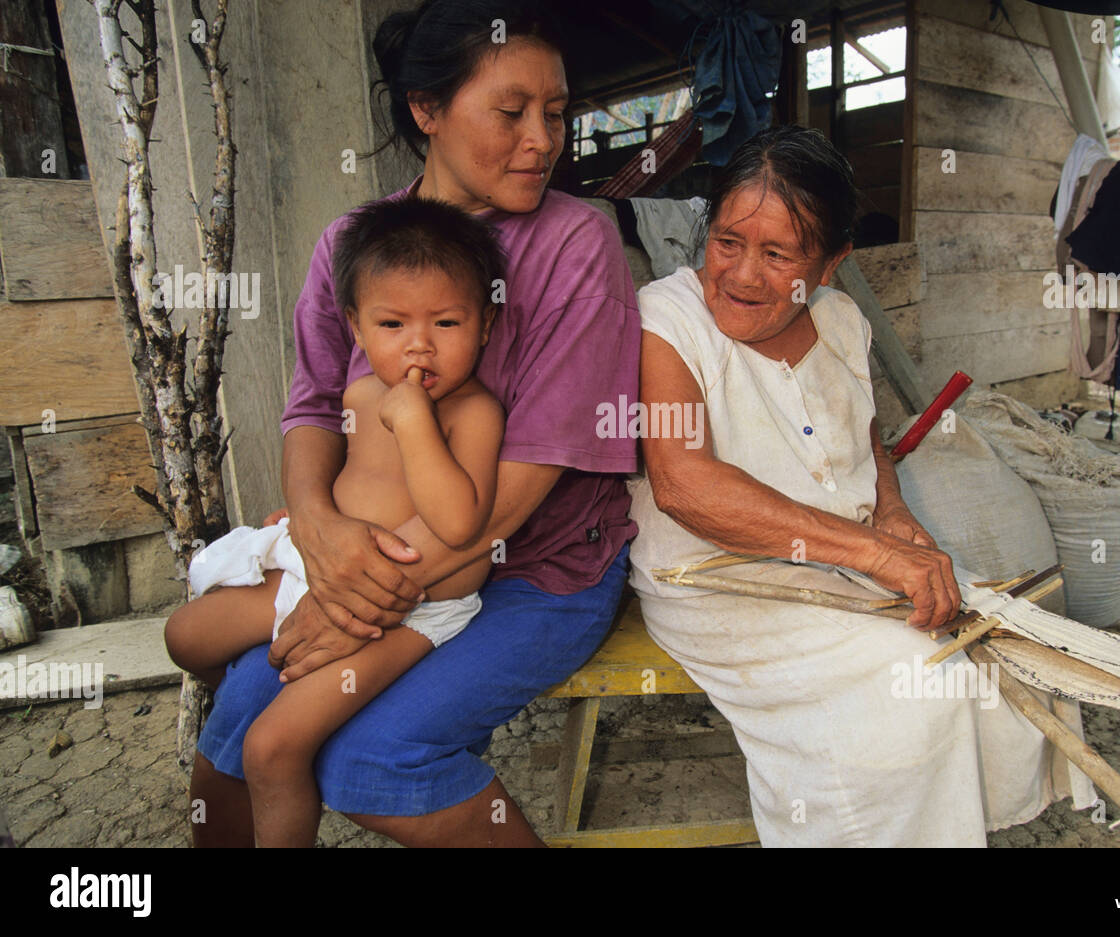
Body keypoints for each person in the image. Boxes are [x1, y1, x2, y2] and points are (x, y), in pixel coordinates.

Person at [188, 0, 640, 847]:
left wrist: (360, 600)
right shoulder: (353, 246)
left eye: (556, 113)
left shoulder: (577, 246)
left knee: (372, 757)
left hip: (535, 569)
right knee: (239, 726)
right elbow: (315, 404)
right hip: (370, 556)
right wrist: (320, 531)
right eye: (511, 113)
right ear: (424, 111)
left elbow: (511, 500)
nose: (544, 140)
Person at [628, 125, 1070, 847]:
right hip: (718, 580)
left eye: (778, 255)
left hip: (848, 559)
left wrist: (890, 511)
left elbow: (867, 436)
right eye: (728, 242)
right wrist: (874, 552)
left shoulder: (841, 318)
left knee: (1012, 647)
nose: (742, 275)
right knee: (914, 691)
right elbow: (684, 486)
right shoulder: (666, 318)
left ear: (832, 264)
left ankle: (956, 823)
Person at [166, 198, 505, 847]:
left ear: (485, 324)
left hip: (409, 603)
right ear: (354, 325)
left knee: (271, 747)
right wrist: (308, 515)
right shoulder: (356, 394)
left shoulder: (472, 412)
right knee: (188, 635)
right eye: (392, 322)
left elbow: (460, 521)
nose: (419, 343)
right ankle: (308, 700)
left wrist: (413, 422)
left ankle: (304, 741)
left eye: (446, 321)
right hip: (320, 572)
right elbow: (352, 478)